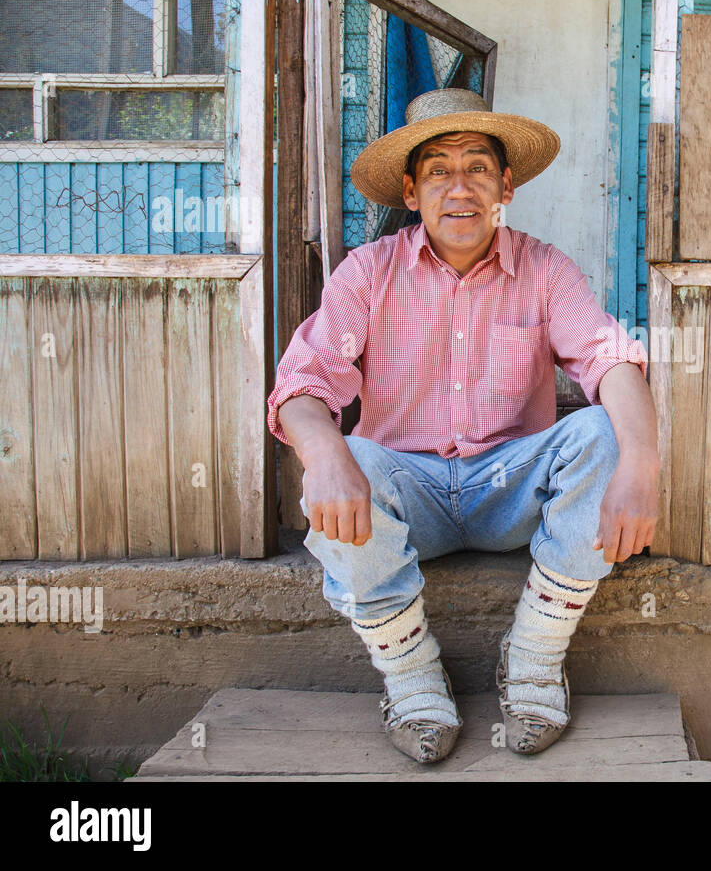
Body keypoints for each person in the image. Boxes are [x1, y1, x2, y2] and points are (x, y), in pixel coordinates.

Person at [266, 88, 659, 764]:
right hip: (406, 500)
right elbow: (302, 384)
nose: (460, 187)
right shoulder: (368, 272)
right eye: (438, 171)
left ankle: (534, 657)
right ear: (412, 193)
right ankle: (412, 673)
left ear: (505, 185)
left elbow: (608, 359)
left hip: (508, 496)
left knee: (601, 434)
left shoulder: (543, 268)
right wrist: (325, 451)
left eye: (477, 167)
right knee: (340, 460)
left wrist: (642, 467)